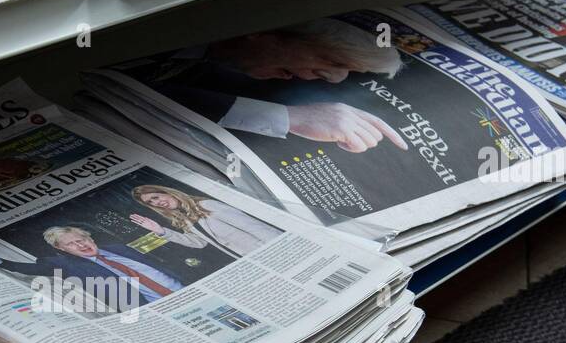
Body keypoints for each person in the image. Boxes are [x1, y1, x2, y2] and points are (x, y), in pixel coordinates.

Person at [127, 17, 409, 154]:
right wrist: (290, 118)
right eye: (333, 61)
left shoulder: (215, 61)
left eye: (348, 71)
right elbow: (125, 93)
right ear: (263, 29)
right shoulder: (146, 34)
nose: (332, 78)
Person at [0, 225, 183, 310]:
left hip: (185, 289)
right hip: (156, 308)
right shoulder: (64, 264)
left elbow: (159, 264)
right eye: (72, 243)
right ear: (62, 249)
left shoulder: (118, 247)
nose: (81, 245)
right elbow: (29, 269)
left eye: (82, 239)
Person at [129, 184, 280, 258]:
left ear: (168, 192)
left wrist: (281, 249)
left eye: (155, 197)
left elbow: (255, 227)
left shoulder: (206, 205)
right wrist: (162, 232)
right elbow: (199, 243)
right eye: (150, 202)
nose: (156, 202)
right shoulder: (185, 219)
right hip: (249, 258)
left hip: (270, 251)